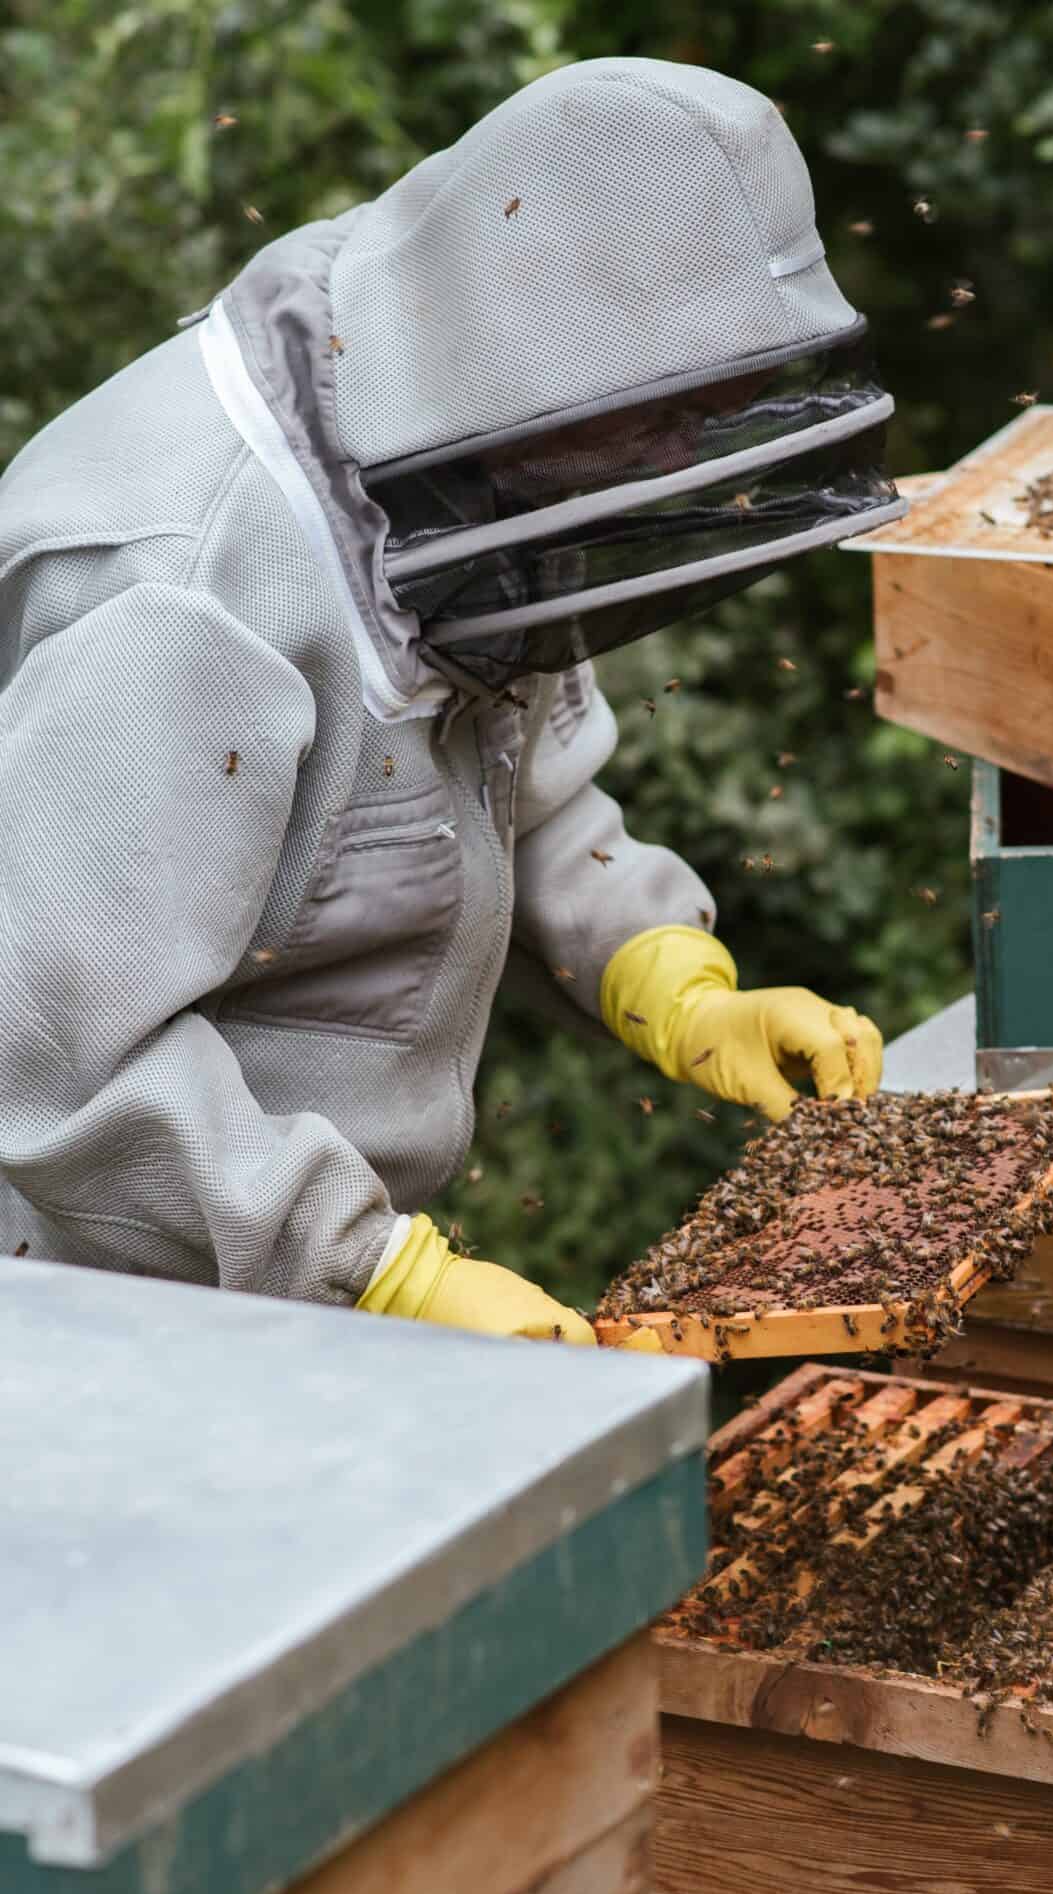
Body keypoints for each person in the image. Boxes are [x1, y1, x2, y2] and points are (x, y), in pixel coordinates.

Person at [0, 57, 904, 1343]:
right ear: (547, 343)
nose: (669, 458)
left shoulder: (461, 469)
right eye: (658, 414)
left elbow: (510, 795)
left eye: (703, 416)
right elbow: (47, 1048)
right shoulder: (186, 592)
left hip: (294, 1301)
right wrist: (368, 1272)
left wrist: (673, 977)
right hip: (84, 1313)